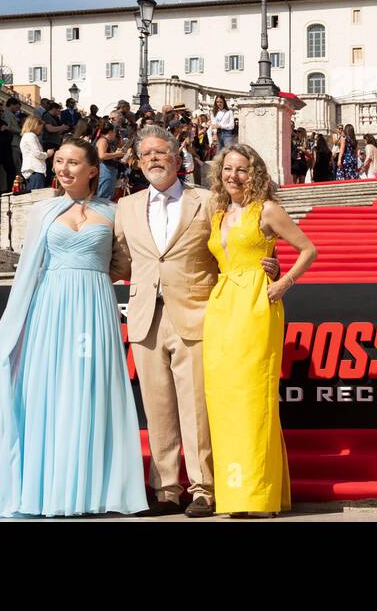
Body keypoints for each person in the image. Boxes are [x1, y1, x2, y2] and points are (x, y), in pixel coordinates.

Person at [109, 127, 280, 517]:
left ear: (177, 157)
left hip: (198, 313)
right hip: (144, 316)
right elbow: (119, 261)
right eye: (146, 153)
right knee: (158, 408)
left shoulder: (205, 201)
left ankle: (204, 488)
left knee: (197, 407)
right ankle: (167, 489)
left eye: (161, 152)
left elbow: (237, 244)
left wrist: (270, 263)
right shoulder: (126, 206)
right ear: (136, 161)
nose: (154, 158)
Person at [0, 138, 146, 518]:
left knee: (92, 385)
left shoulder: (115, 212)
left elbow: (128, 262)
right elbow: (29, 269)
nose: (64, 169)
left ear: (93, 169)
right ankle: (48, 489)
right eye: (59, 162)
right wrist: (17, 323)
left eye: (73, 163)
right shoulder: (42, 211)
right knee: (51, 389)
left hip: (95, 304)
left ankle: (95, 488)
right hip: (52, 306)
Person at [205, 144, 317, 517]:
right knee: (225, 399)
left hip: (256, 303)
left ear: (254, 174)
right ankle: (235, 495)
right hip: (222, 305)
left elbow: (307, 250)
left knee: (254, 397)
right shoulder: (218, 213)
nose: (233, 175)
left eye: (241, 169)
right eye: (227, 168)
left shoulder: (266, 210)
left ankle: (259, 497)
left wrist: (282, 282)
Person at [18, 115, 52, 192]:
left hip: (32, 170)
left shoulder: (26, 136)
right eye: (40, 127)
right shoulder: (31, 135)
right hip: (35, 170)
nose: (41, 130)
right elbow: (37, 154)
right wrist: (48, 154)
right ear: (35, 125)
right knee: (36, 197)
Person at [94, 119, 122, 200]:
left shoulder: (105, 141)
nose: (115, 134)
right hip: (105, 170)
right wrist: (117, 154)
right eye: (114, 132)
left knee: (106, 195)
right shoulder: (103, 141)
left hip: (107, 170)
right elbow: (102, 155)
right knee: (104, 196)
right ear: (111, 132)